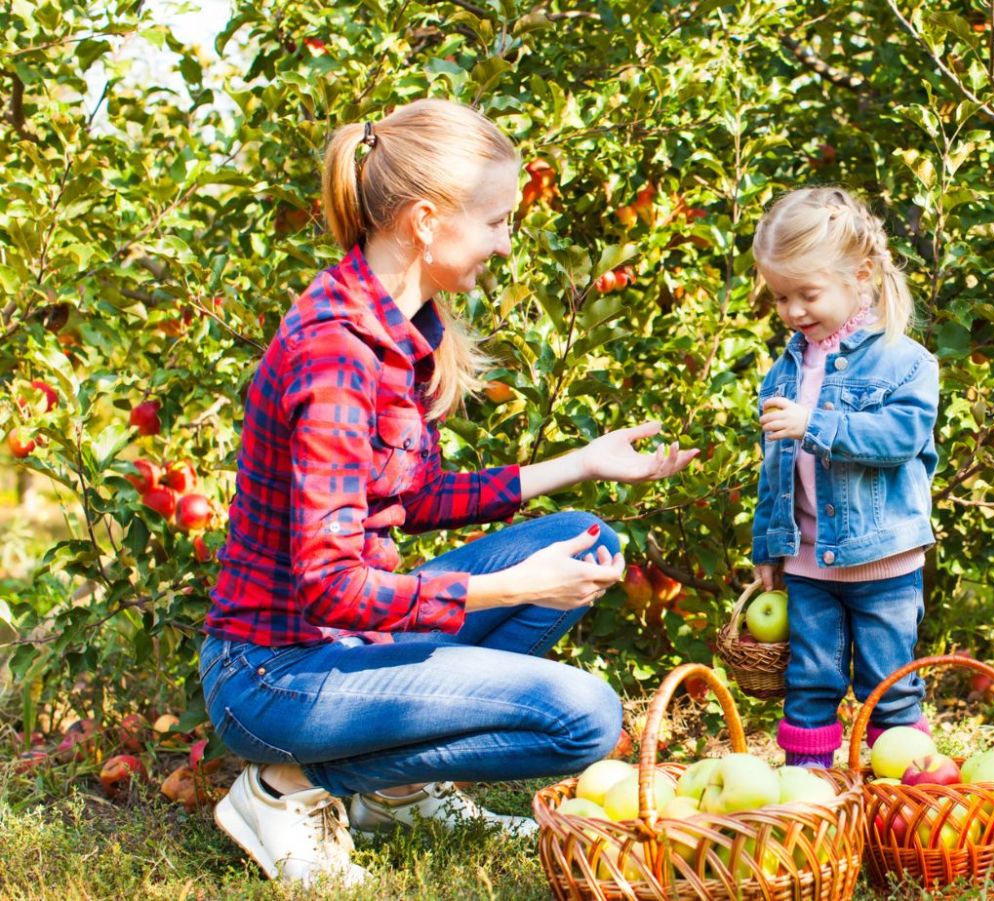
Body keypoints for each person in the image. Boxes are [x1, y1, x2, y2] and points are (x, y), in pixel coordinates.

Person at [198, 98, 696, 887]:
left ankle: (391, 790)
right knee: (586, 718)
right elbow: (330, 586)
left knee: (587, 536)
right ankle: (286, 786)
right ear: (427, 221)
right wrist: (511, 586)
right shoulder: (336, 356)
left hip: (344, 653)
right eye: (497, 220)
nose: (505, 240)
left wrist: (582, 463)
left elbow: (416, 496)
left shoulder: (403, 326)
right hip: (273, 676)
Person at [749, 186, 940, 768]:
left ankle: (903, 792)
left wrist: (817, 424)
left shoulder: (903, 361)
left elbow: (900, 440)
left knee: (890, 686)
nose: (793, 312)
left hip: (882, 562)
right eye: (781, 297)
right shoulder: (787, 367)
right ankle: (811, 796)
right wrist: (768, 545)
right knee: (809, 682)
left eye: (807, 294)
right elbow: (774, 468)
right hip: (808, 563)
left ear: (860, 276)